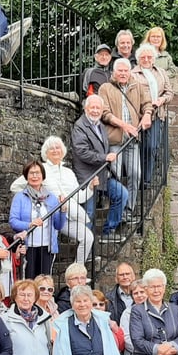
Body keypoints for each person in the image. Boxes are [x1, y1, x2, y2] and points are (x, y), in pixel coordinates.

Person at [11, 136, 95, 265]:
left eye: (58, 147)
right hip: (48, 217)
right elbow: (15, 187)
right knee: (48, 252)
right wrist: (33, 199)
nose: (56, 150)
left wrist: (90, 187)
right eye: (52, 148)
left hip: (67, 215)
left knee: (88, 237)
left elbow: (79, 197)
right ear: (46, 152)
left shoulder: (68, 172)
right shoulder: (40, 169)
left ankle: (76, 270)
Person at [70, 94, 128, 243]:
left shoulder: (100, 126)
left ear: (102, 110)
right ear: (85, 108)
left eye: (98, 108)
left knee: (122, 194)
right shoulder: (80, 126)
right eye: (92, 107)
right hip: (88, 177)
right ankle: (87, 247)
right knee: (88, 213)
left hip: (102, 174)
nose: (95, 110)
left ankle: (108, 231)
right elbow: (81, 152)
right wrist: (104, 157)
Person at [99, 59, 151, 220]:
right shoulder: (105, 88)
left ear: (130, 72)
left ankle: (128, 210)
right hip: (114, 140)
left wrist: (148, 114)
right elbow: (104, 113)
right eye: (119, 70)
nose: (122, 73)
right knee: (114, 175)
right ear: (114, 72)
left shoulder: (138, 87)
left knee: (135, 174)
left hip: (132, 140)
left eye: (125, 70)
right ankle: (115, 209)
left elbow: (147, 104)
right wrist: (125, 126)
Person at [9, 160, 66, 279]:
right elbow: (13, 221)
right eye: (31, 173)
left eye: (37, 173)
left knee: (44, 281)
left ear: (43, 176)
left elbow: (58, 225)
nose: (35, 176)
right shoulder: (19, 197)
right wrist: (29, 224)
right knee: (28, 280)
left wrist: (63, 211)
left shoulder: (51, 198)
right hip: (28, 247)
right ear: (26, 176)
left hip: (47, 247)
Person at [133, 43, 174, 186]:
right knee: (141, 146)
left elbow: (170, 92)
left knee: (152, 146)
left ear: (154, 58)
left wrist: (162, 99)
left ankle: (146, 179)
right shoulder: (133, 74)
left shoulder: (161, 72)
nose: (146, 59)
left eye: (149, 57)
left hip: (157, 114)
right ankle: (140, 179)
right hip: (140, 115)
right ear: (138, 59)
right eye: (143, 57)